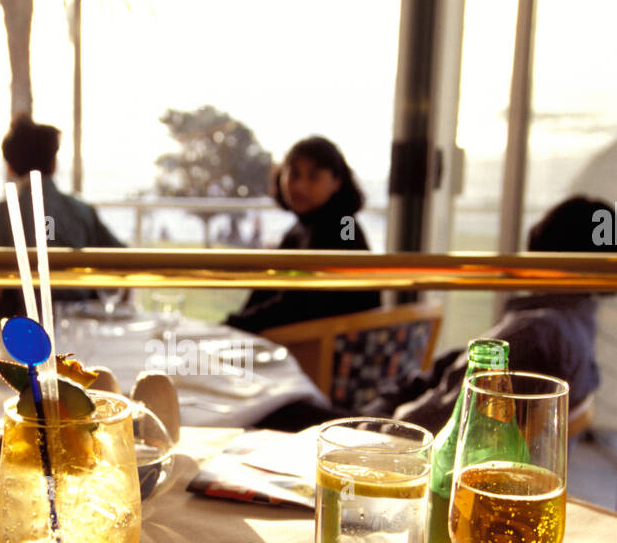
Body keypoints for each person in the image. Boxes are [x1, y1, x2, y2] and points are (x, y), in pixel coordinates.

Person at [364, 196, 613, 435]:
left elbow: (421, 428)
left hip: (392, 445)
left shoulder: (533, 334)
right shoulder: (577, 326)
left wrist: (365, 427)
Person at [224, 135, 380, 333]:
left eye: (314, 176)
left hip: (325, 350)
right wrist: (235, 325)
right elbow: (268, 287)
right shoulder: (300, 229)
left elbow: (301, 304)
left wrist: (235, 326)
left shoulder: (345, 224)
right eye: (294, 174)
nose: (300, 186)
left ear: (337, 182)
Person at [0, 114, 124, 319]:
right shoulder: (82, 211)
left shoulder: (4, 213)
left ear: (9, 167)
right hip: (82, 323)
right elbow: (122, 259)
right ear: (53, 164)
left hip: (22, 325)